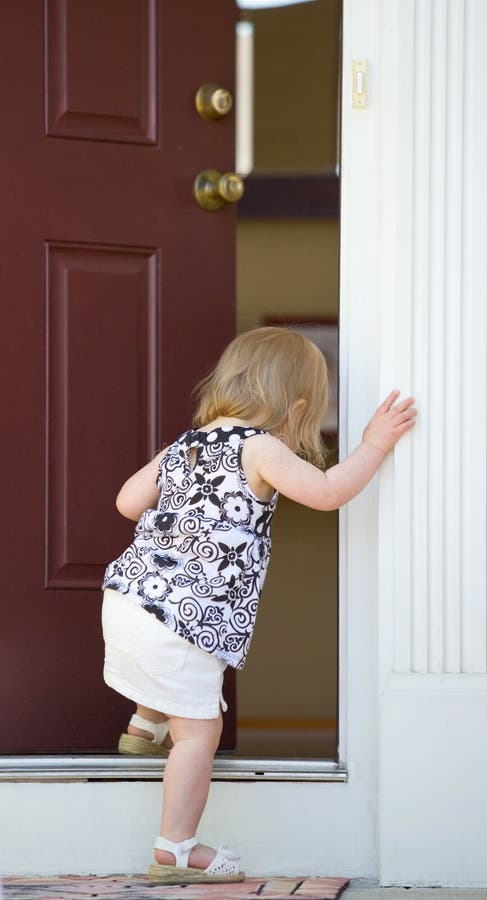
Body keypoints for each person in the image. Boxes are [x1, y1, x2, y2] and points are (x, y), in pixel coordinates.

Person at [101, 326, 417, 884]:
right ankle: (175, 849)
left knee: (167, 678)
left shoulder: (186, 443)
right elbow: (327, 492)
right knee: (199, 731)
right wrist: (373, 444)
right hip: (185, 619)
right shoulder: (261, 447)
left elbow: (127, 503)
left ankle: (143, 726)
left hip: (127, 598)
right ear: (296, 408)